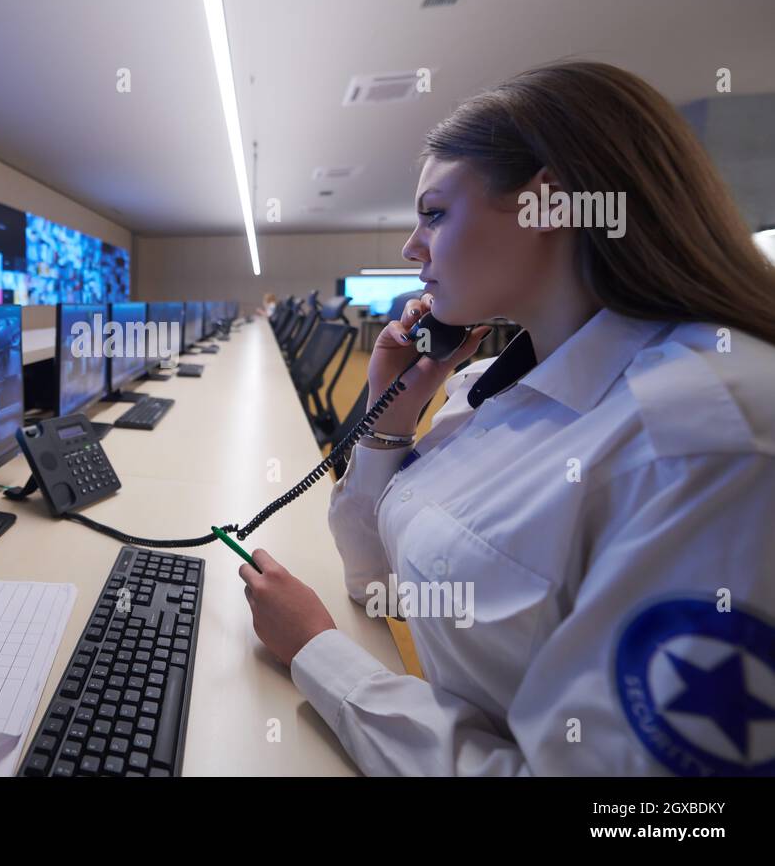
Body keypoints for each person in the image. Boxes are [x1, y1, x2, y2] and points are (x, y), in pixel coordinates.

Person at [238, 61, 775, 776]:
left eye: (434, 213)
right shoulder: (484, 383)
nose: (410, 248)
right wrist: (393, 410)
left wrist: (322, 658)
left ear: (547, 206)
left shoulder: (706, 444)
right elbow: (379, 580)